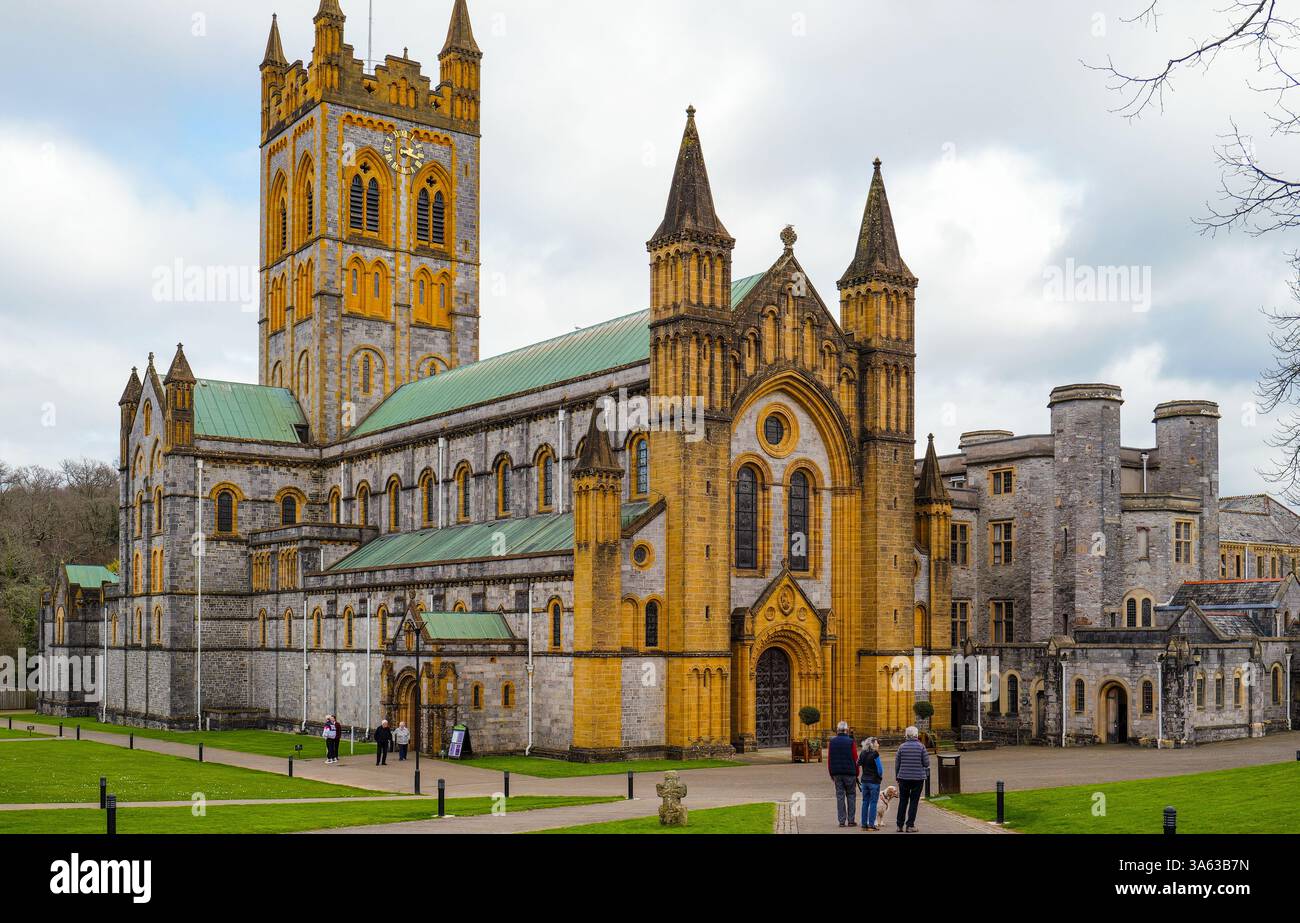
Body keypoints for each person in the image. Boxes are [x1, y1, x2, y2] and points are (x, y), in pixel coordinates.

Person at [894, 725, 930, 832]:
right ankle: (910, 825)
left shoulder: (901, 747)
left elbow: (897, 763)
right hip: (918, 778)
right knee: (914, 801)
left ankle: (899, 825)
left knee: (903, 801)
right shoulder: (921, 747)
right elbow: (926, 763)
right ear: (916, 735)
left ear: (906, 735)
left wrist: (897, 776)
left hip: (903, 777)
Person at [826, 720, 859, 827]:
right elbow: (855, 758)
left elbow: (829, 759)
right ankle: (851, 820)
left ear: (838, 730)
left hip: (837, 773)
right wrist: (857, 772)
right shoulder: (851, 742)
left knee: (840, 796)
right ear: (846, 730)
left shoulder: (832, 742)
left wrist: (831, 773)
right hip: (850, 773)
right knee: (851, 795)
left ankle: (841, 821)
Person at [857, 736, 884, 830]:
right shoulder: (875, 754)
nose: (878, 744)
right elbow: (880, 769)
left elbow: (858, 763)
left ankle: (864, 824)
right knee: (873, 802)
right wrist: (880, 776)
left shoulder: (863, 753)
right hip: (874, 781)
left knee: (865, 802)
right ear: (872, 744)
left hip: (864, 781)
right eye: (877, 743)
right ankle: (871, 824)